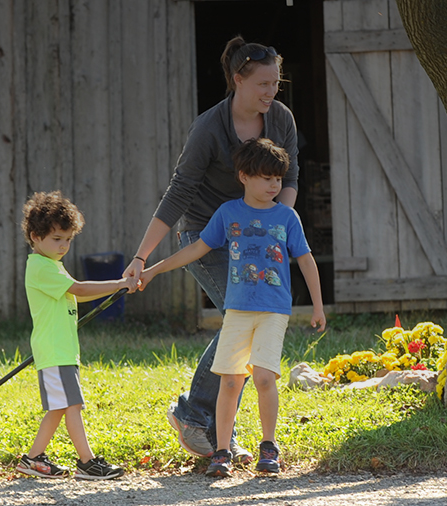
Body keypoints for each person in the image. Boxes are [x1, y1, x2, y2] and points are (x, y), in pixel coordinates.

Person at [123, 35, 300, 464]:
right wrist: (141, 257)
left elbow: (289, 177)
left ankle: (216, 429)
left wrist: (274, 227)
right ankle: (195, 414)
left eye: (276, 83)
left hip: (255, 241)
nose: (271, 92)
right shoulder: (209, 128)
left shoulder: (281, 120)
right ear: (237, 79)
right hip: (206, 234)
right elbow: (178, 193)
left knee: (243, 322)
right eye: (262, 84)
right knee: (239, 318)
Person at [141, 138, 325, 477]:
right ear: (243, 176)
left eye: (278, 179)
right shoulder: (228, 214)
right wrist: (152, 269)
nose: (274, 185)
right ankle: (222, 451)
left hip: (273, 311)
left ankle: (268, 447)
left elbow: (306, 259)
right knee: (230, 382)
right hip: (237, 310)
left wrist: (317, 305)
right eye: (266, 178)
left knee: (265, 378)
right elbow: (196, 250)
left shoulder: (287, 217)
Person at [16, 191, 138, 480]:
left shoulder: (51, 265)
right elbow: (79, 289)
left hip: (61, 349)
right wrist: (120, 283)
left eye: (68, 239)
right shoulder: (40, 267)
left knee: (59, 408)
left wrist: (118, 287)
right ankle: (87, 462)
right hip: (55, 350)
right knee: (72, 406)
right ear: (35, 236)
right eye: (57, 239)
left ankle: (33, 459)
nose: (63, 246)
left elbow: (75, 296)